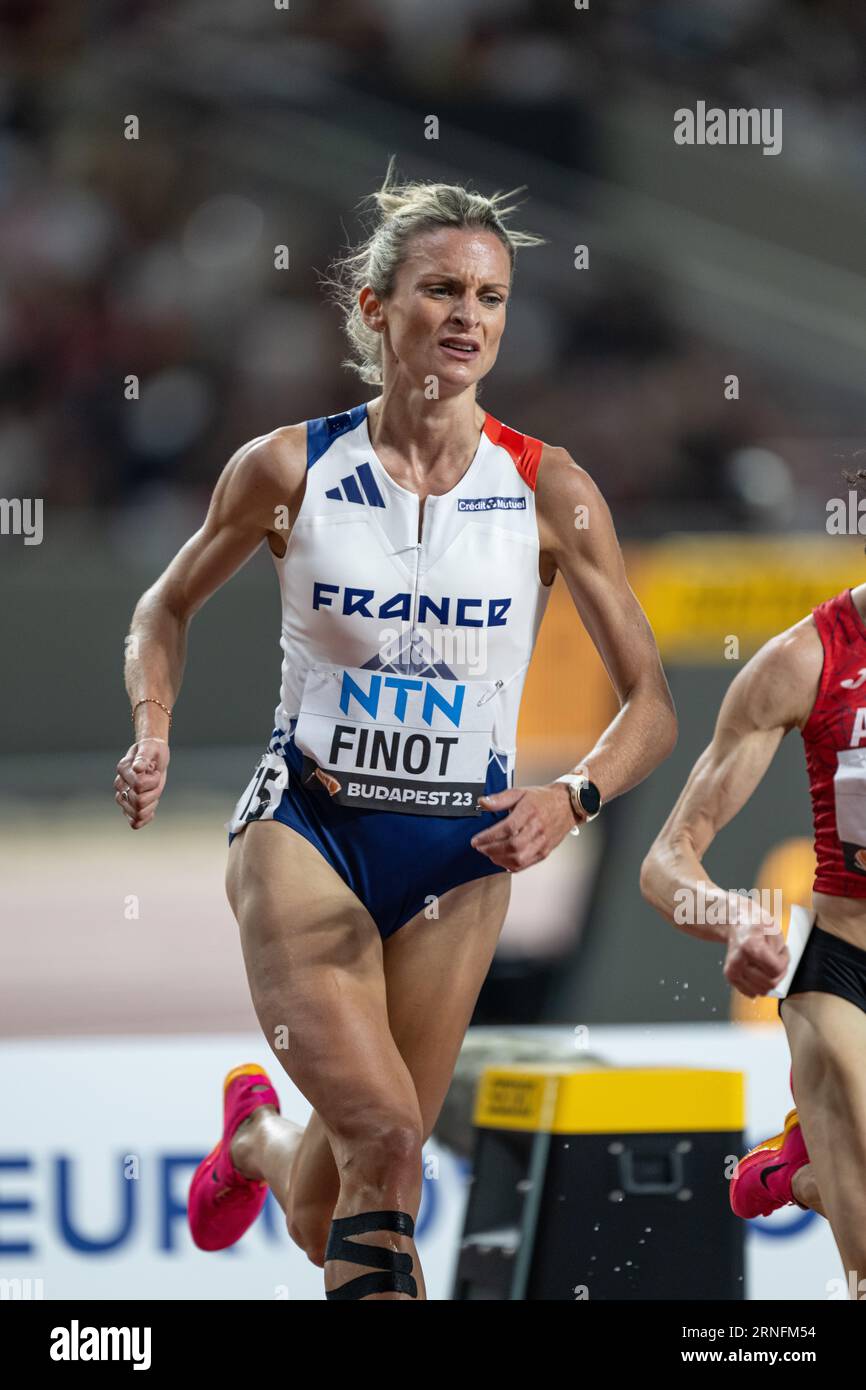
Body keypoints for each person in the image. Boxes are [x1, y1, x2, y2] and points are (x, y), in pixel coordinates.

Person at [115, 161, 678, 1300]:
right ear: (376, 310)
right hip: (307, 834)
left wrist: (570, 799)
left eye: (490, 297)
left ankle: (255, 1146)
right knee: (388, 1141)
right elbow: (162, 606)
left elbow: (651, 706)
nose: (467, 317)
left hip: (459, 858)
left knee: (337, 1196)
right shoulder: (287, 468)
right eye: (440, 291)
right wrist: (153, 725)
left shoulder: (549, 490)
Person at [640, 555, 866, 1292]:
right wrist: (734, 918)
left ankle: (802, 1173)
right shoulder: (806, 661)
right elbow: (667, 859)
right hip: (843, 977)